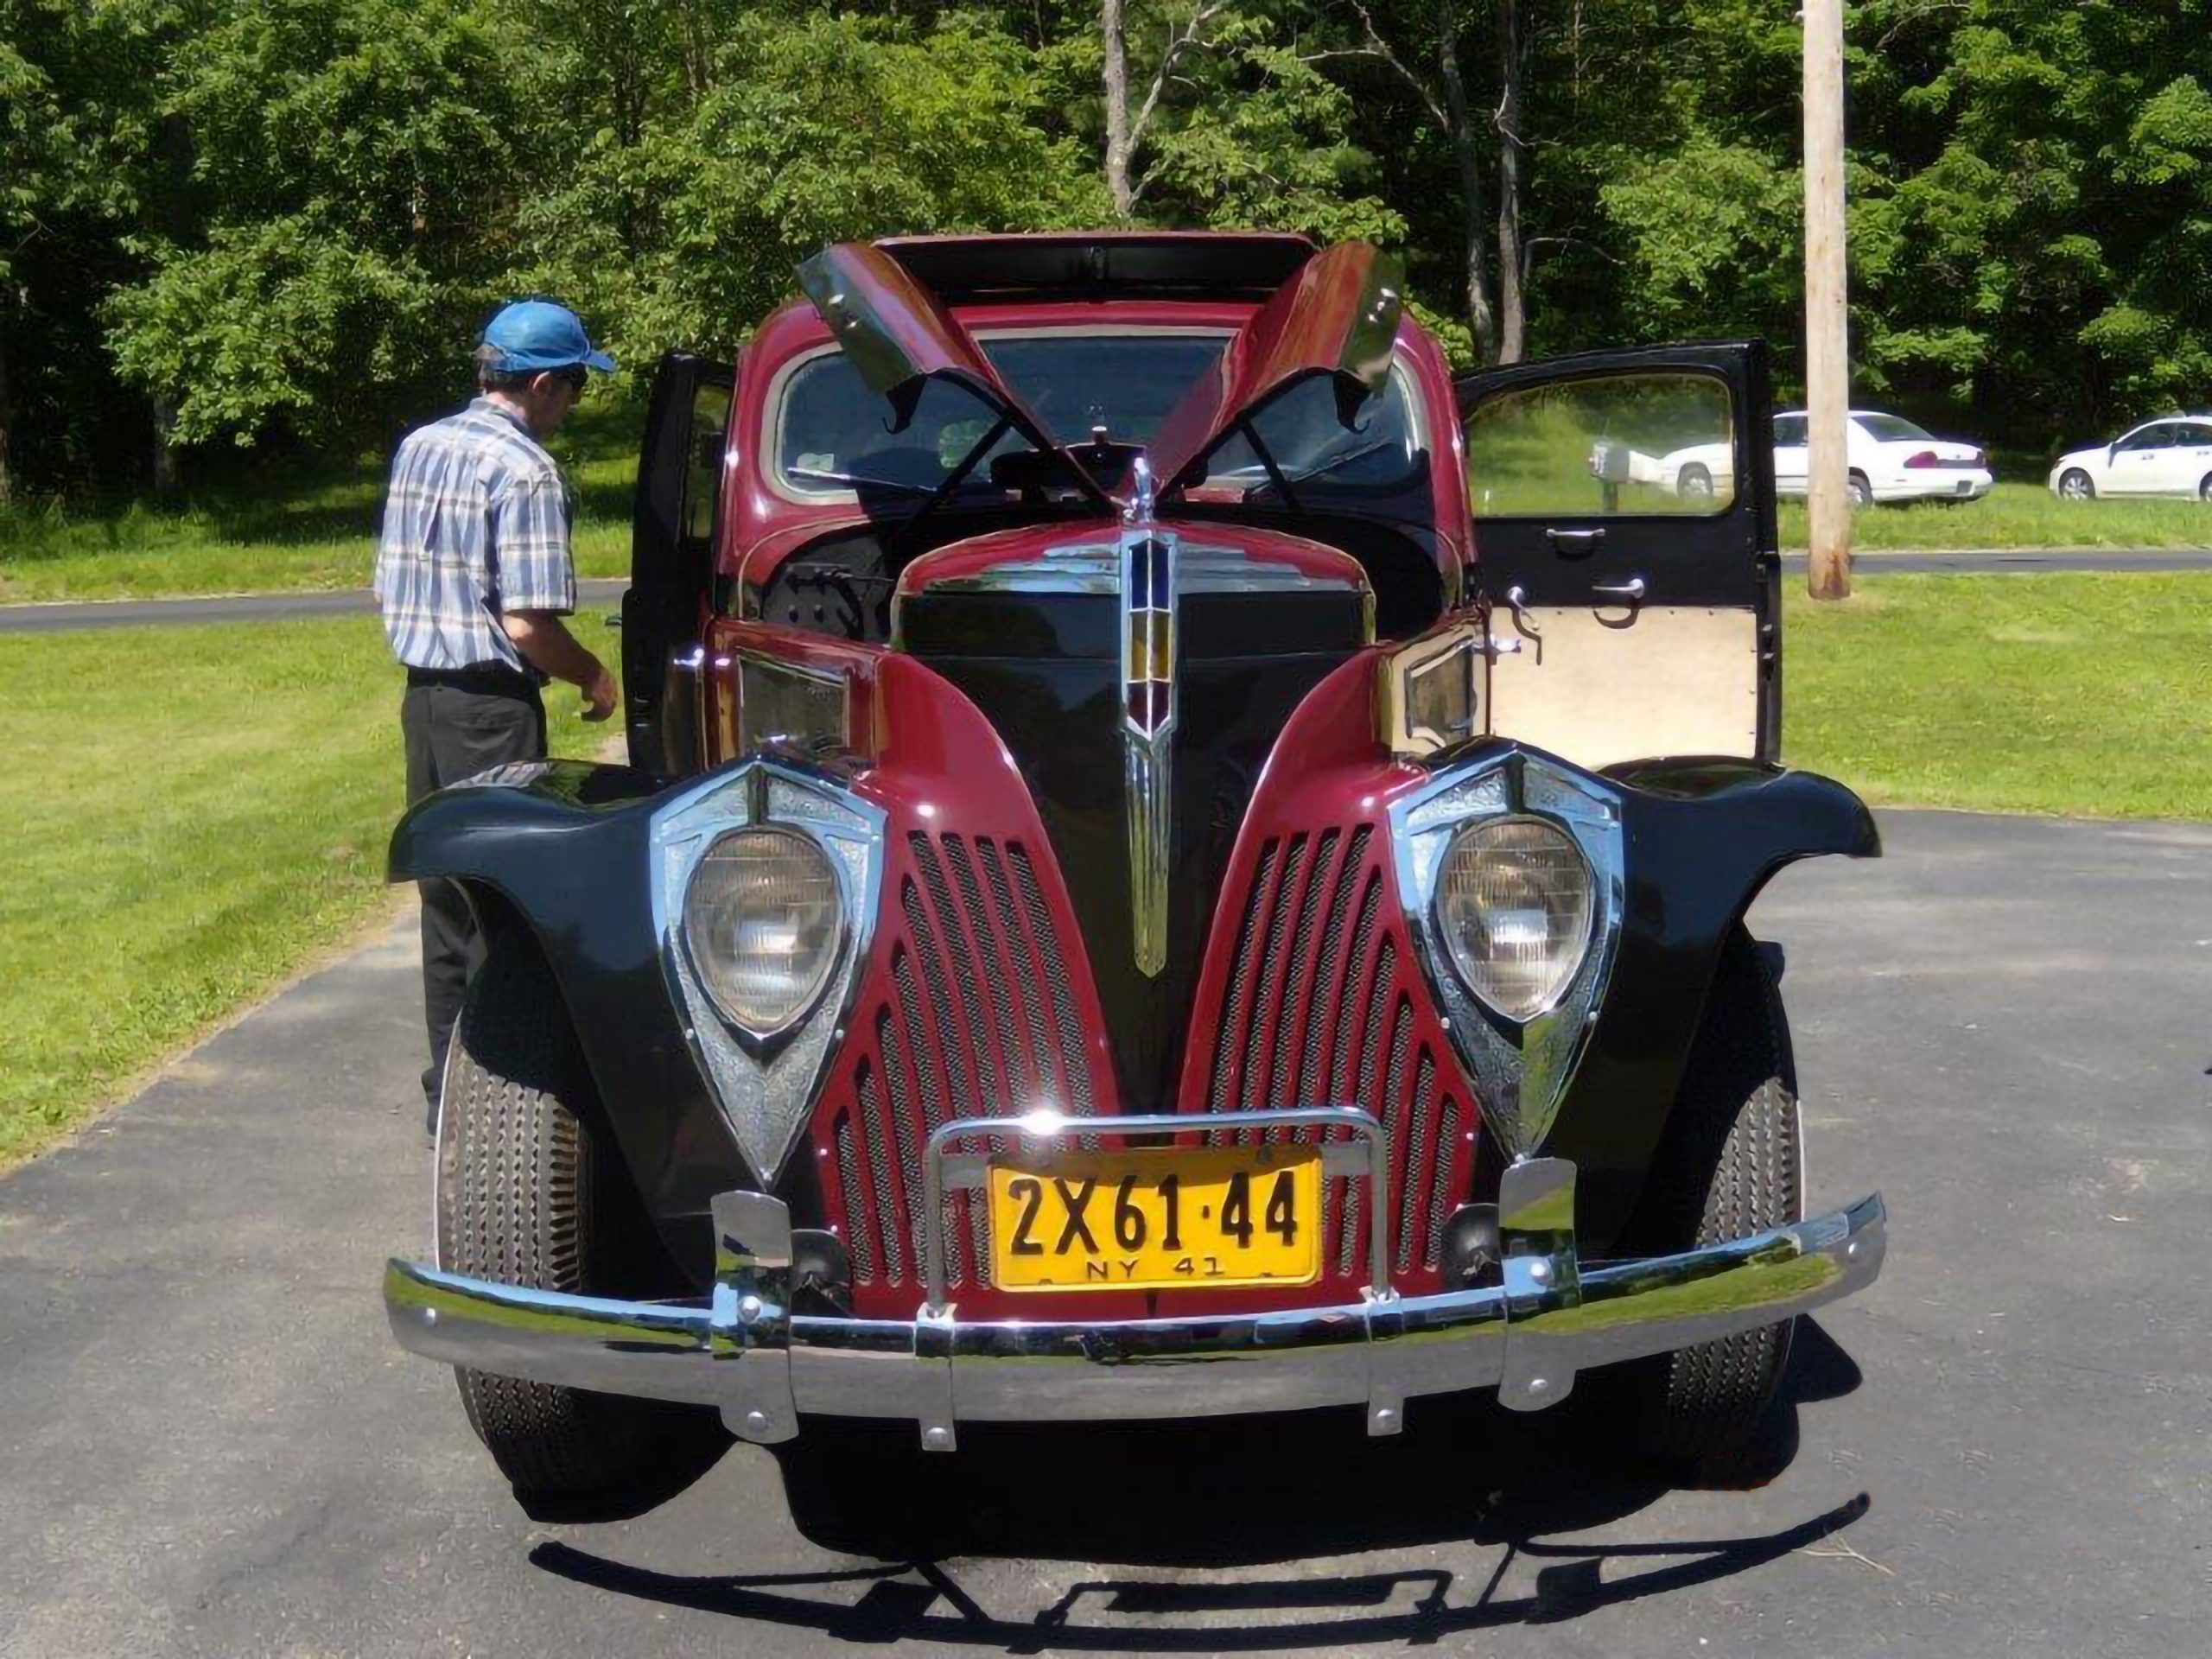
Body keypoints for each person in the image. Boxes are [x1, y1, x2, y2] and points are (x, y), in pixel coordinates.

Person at [374, 299, 620, 1139]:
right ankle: (498, 1112)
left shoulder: (422, 445)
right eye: (576, 387)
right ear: (543, 384)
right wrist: (594, 676)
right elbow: (526, 624)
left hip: (426, 699)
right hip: (490, 707)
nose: (574, 405)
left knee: (446, 906)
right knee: (508, 913)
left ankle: (448, 1099)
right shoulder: (523, 471)